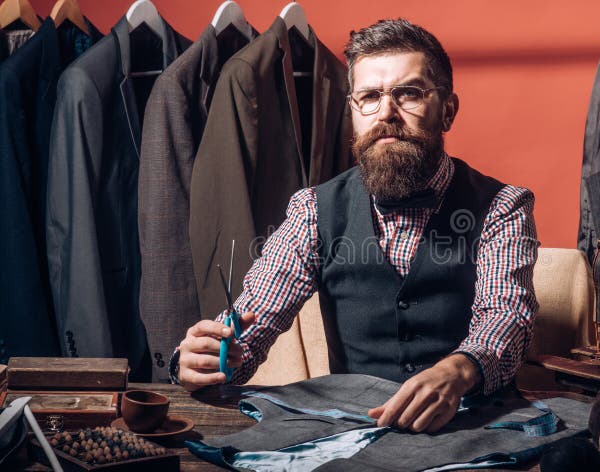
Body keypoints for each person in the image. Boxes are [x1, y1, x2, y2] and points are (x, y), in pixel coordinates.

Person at [172, 18, 539, 433]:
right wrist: (207, 358)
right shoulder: (313, 210)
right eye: (369, 97)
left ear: (448, 110)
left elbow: (507, 317)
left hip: (476, 427)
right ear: (353, 111)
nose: (386, 113)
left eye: (409, 94)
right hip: (354, 430)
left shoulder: (503, 206)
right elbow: (254, 319)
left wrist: (459, 370)